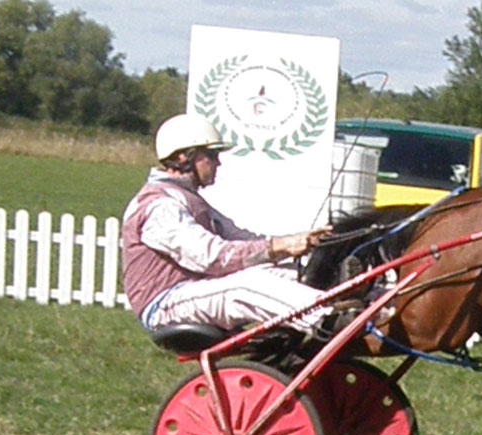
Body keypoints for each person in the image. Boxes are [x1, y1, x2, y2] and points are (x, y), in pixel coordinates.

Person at [121, 112, 336, 337]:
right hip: (164, 303)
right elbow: (211, 257)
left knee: (291, 275)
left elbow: (242, 239)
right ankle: (329, 321)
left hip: (195, 291)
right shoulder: (159, 205)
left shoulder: (189, 198)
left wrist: (301, 242)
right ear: (184, 157)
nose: (218, 162)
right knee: (248, 285)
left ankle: (353, 306)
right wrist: (281, 246)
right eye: (211, 155)